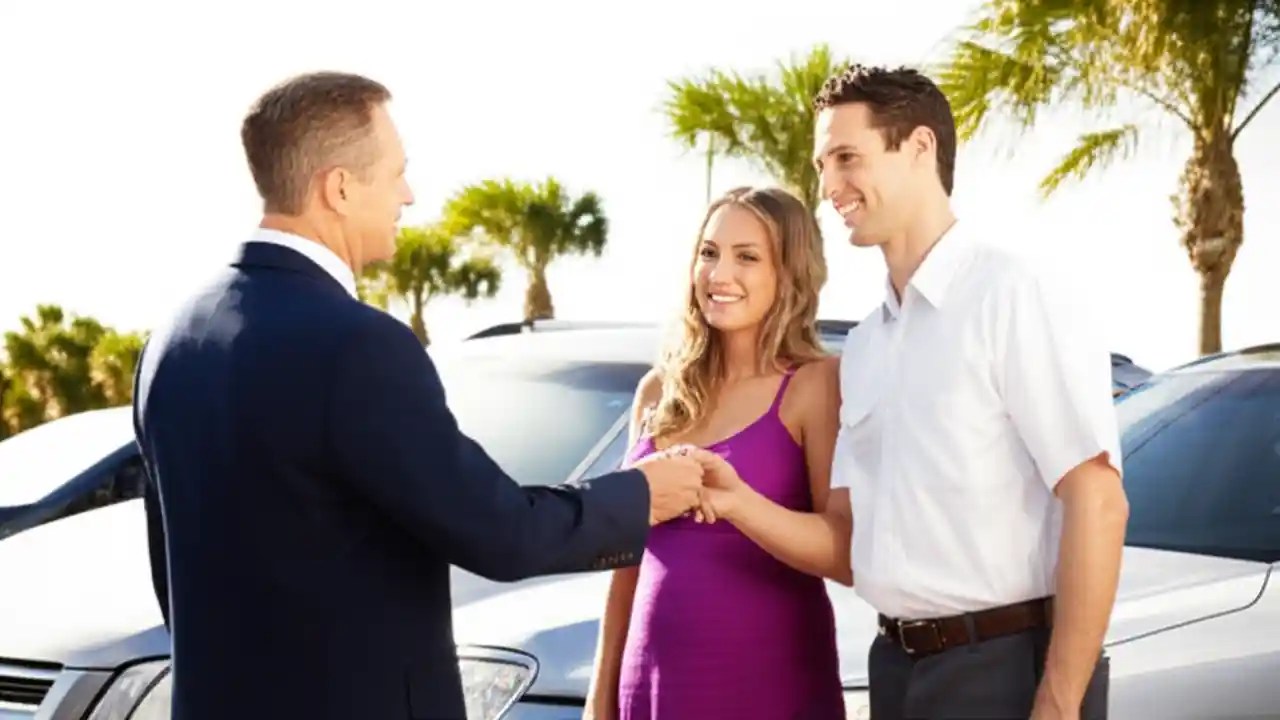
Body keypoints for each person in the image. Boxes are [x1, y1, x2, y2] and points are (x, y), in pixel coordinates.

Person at [131, 71, 707, 720]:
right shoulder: (357, 345)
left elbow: (172, 577)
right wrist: (642, 493)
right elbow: (499, 531)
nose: (408, 194)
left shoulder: (171, 341)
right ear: (339, 188)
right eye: (396, 173)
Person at [698, 64, 1130, 719]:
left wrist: (1060, 701)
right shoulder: (867, 345)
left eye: (847, 158)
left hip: (1007, 668)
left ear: (920, 149)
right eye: (821, 165)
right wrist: (734, 500)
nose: (829, 186)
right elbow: (850, 542)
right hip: (896, 669)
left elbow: (1097, 500)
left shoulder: (1011, 294)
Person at [584, 186, 847, 720]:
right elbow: (627, 562)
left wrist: (737, 503)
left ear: (789, 272)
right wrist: (600, 695)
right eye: (708, 253)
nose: (718, 274)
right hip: (651, 682)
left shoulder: (816, 385)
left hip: (766, 681)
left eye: (746, 256)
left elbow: (845, 551)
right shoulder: (660, 391)